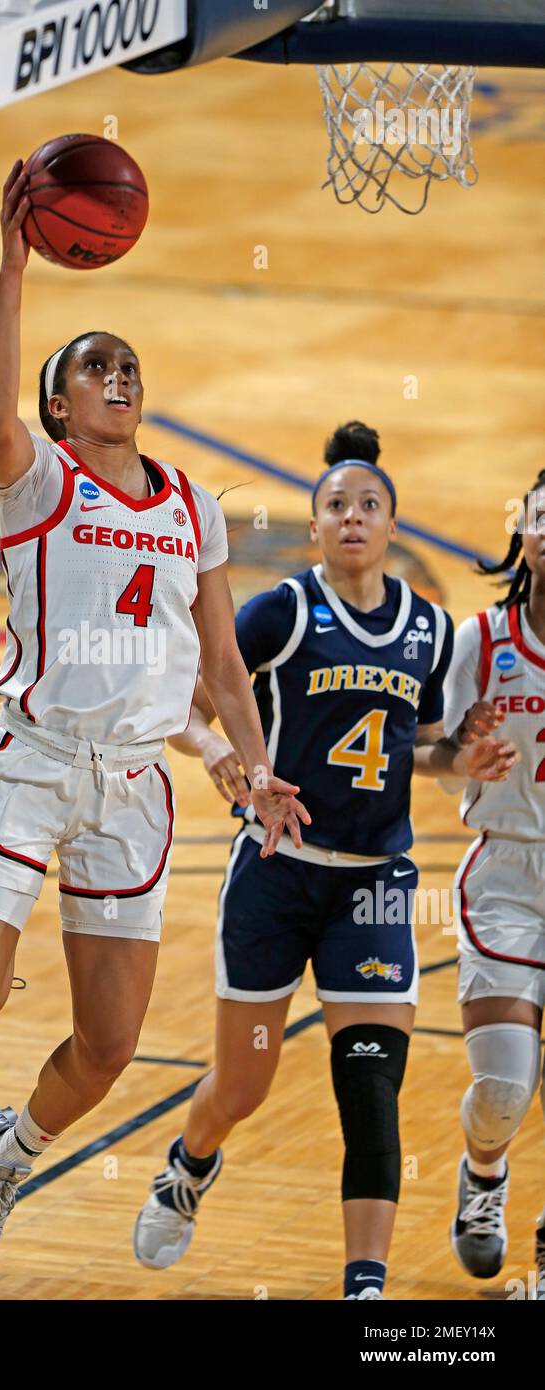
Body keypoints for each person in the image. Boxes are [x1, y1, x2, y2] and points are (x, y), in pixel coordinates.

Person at [0, 160, 310, 1278]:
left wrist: (252, 761)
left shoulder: (190, 502)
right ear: (61, 405)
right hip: (33, 760)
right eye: (94, 365)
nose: (118, 373)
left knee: (108, 1046)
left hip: (133, 786)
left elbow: (224, 664)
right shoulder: (39, 479)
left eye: (128, 362)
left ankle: (5, 1151)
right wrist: (10, 266)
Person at [132, 421, 515, 1299]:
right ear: (315, 528)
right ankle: (189, 1165)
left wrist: (461, 759)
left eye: (369, 505)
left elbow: (418, 748)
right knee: (242, 1085)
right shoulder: (283, 612)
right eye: (336, 505)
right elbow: (188, 698)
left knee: (371, 1093)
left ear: (392, 527)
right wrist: (217, 753)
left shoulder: (428, 630)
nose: (353, 517)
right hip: (276, 873)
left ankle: (365, 1290)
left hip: (375, 888)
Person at [442, 469, 544, 1297]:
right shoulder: (483, 638)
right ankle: (483, 1175)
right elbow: (434, 760)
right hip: (505, 876)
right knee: (504, 1086)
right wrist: (459, 757)